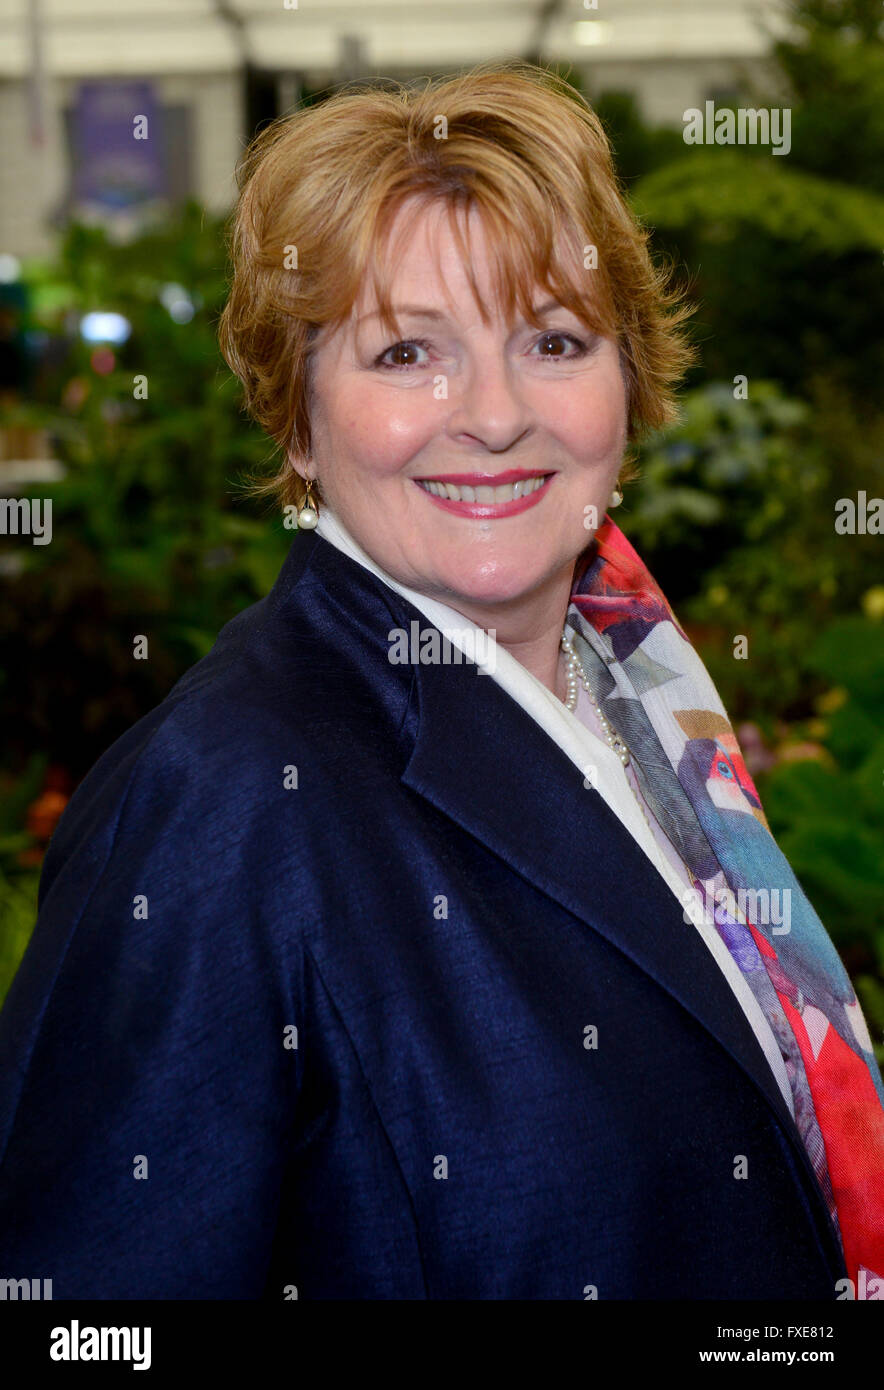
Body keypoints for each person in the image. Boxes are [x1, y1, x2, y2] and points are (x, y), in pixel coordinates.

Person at [1, 61, 882, 1301]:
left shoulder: (641, 693)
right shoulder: (218, 800)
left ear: (626, 386)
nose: (493, 412)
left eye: (553, 340)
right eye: (408, 350)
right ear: (298, 421)